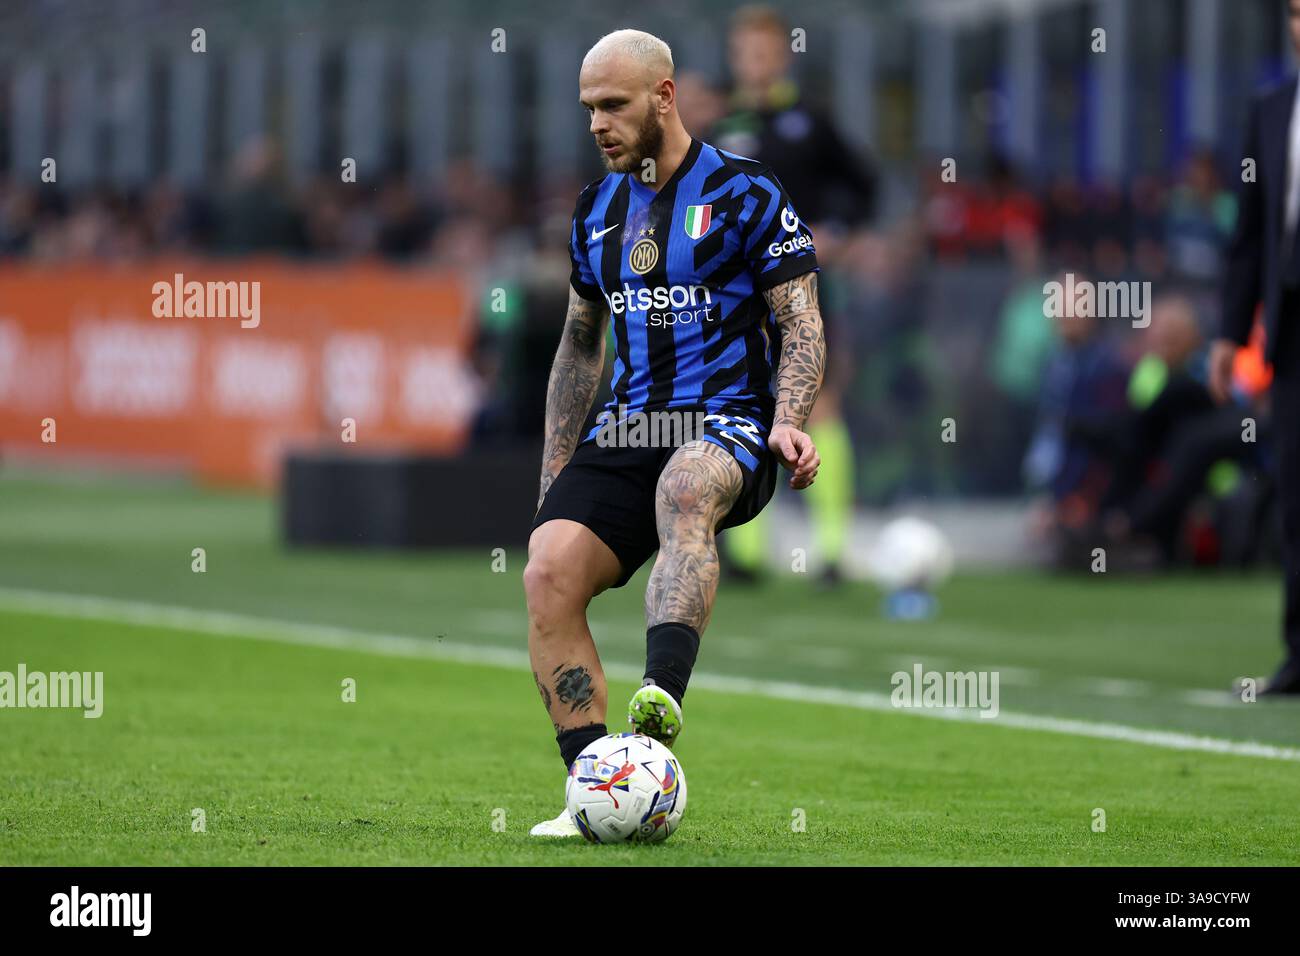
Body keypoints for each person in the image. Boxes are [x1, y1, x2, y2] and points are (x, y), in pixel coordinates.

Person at [525, 29, 826, 836]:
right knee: (548, 569)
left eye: (614, 105)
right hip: (631, 423)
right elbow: (580, 343)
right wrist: (556, 470)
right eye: (589, 109)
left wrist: (788, 423)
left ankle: (660, 703)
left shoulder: (747, 192)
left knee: (684, 487)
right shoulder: (595, 210)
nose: (598, 124)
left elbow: (800, 322)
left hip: (728, 420)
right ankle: (594, 787)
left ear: (664, 97)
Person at [710, 5, 876, 585]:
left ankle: (831, 552)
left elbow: (862, 185)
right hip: (739, 293)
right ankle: (747, 553)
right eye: (745, 52)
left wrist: (837, 230)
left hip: (801, 288)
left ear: (782, 55)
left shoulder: (810, 121)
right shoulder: (720, 127)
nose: (754, 62)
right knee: (746, 403)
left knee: (818, 403)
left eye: (764, 52)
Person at [1211, 0, 1300, 695]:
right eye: (1295, 13)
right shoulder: (1271, 110)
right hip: (1292, 329)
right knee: (1296, 491)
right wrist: (1231, 334)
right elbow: (1249, 236)